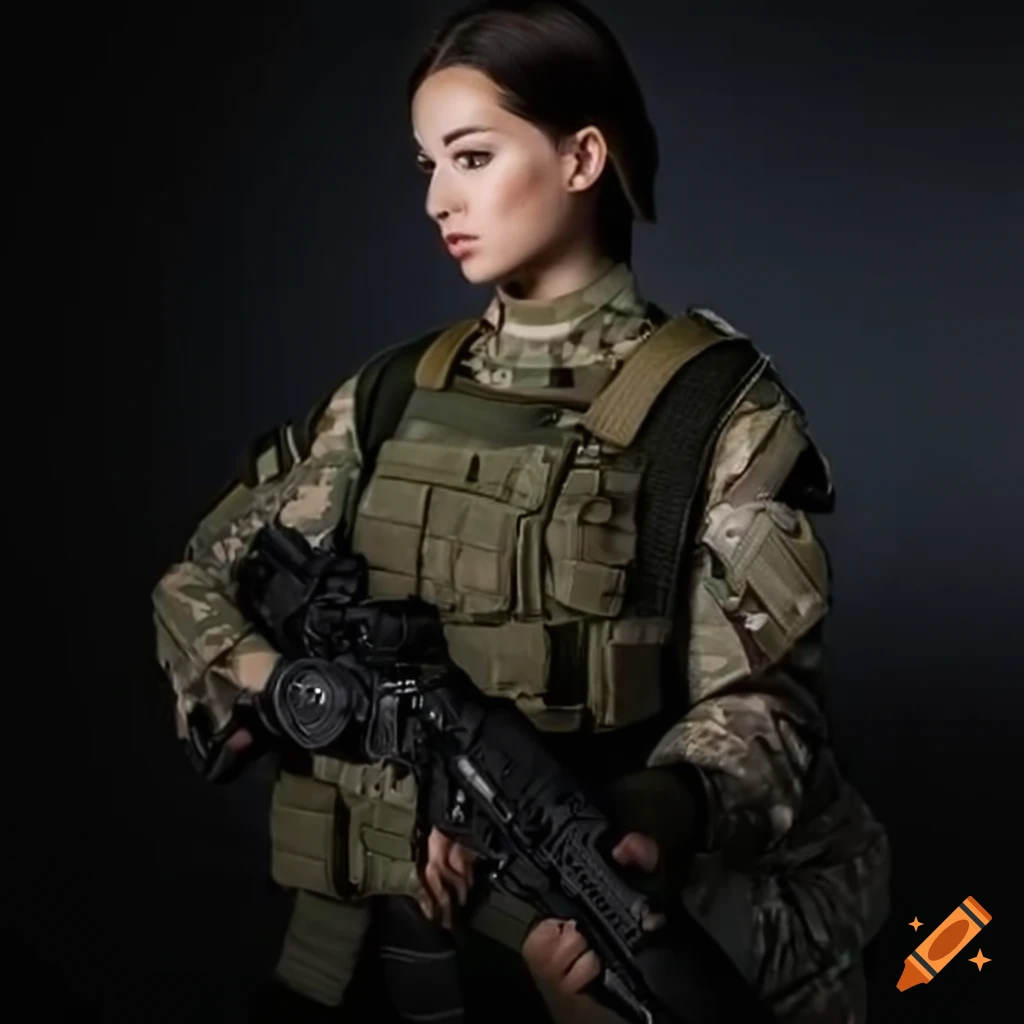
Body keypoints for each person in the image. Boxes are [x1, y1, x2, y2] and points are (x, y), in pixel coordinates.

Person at [151, 2, 890, 1022]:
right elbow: (197, 580)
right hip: (358, 946)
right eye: (427, 167)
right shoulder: (390, 393)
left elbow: (766, 711)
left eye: (471, 156)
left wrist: (656, 807)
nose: (438, 199)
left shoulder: (712, 411)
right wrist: (282, 687)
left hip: (563, 946)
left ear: (582, 157)